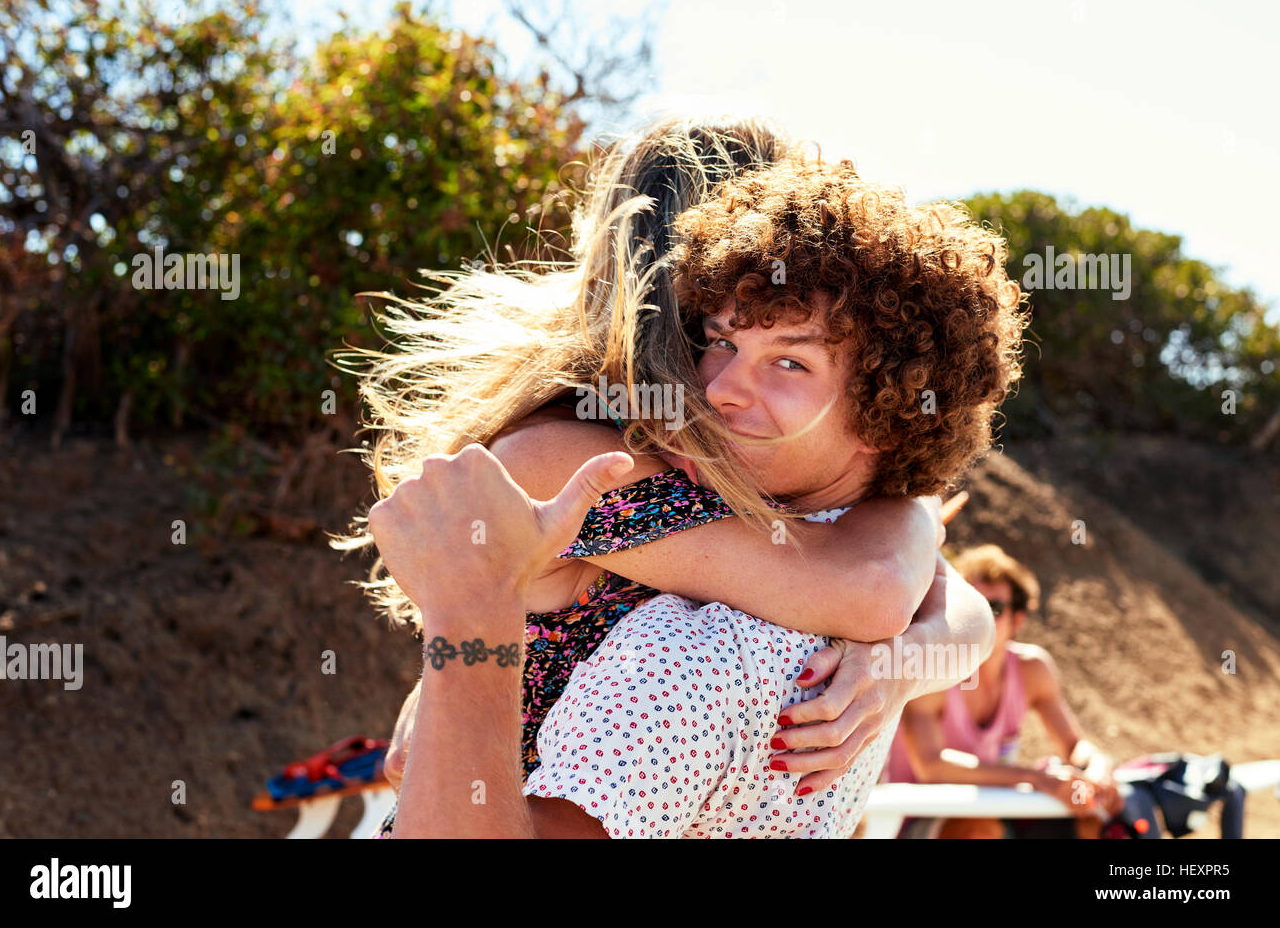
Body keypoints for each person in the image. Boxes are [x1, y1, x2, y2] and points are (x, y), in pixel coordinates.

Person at [340, 117, 1003, 839]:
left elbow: (953, 604)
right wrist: (910, 523)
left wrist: (904, 659)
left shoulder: (735, 474)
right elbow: (870, 585)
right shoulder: (574, 463)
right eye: (724, 332)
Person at [885, 544, 1125, 838]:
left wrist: (1099, 767)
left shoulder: (1032, 668)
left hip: (998, 811)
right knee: (979, 831)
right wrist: (1034, 778)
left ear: (1018, 620)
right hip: (913, 818)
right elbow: (931, 767)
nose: (980, 617)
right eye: (971, 603)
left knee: (1093, 820)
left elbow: (1074, 746)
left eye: (994, 608)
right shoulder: (934, 666)